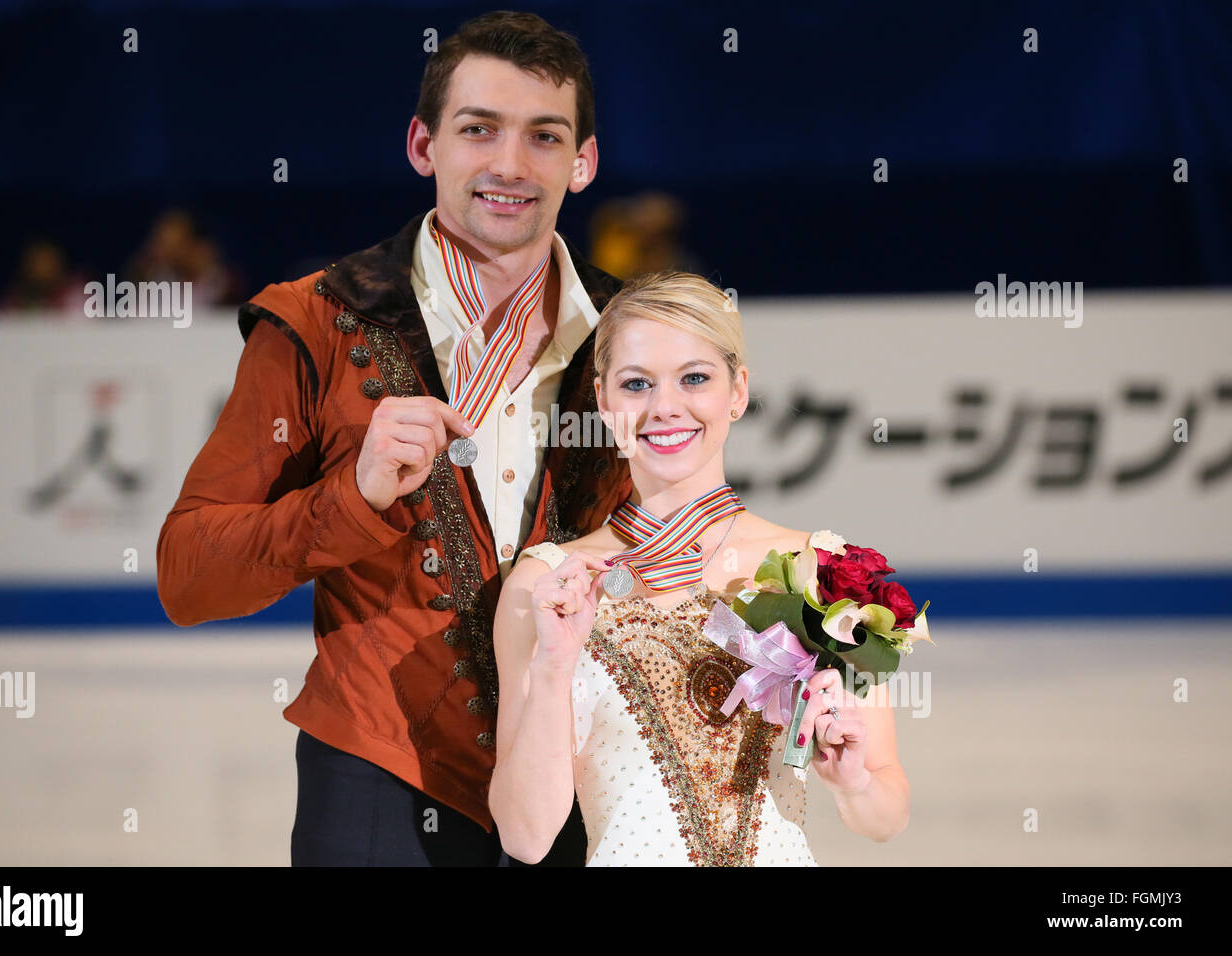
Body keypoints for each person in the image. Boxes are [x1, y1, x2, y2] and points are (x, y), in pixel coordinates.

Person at [156, 11, 632, 866]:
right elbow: (188, 575)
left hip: (578, 769)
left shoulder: (636, 340)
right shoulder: (317, 320)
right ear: (423, 145)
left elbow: (671, 551)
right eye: (478, 129)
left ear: (583, 161)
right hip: (380, 773)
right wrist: (353, 497)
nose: (510, 165)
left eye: (544, 136)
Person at [489, 271, 911, 865]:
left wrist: (854, 782)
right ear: (605, 403)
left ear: (737, 391)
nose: (665, 407)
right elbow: (525, 839)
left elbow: (887, 814)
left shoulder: (823, 571)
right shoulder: (546, 586)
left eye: (695, 378)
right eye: (637, 384)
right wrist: (555, 667)